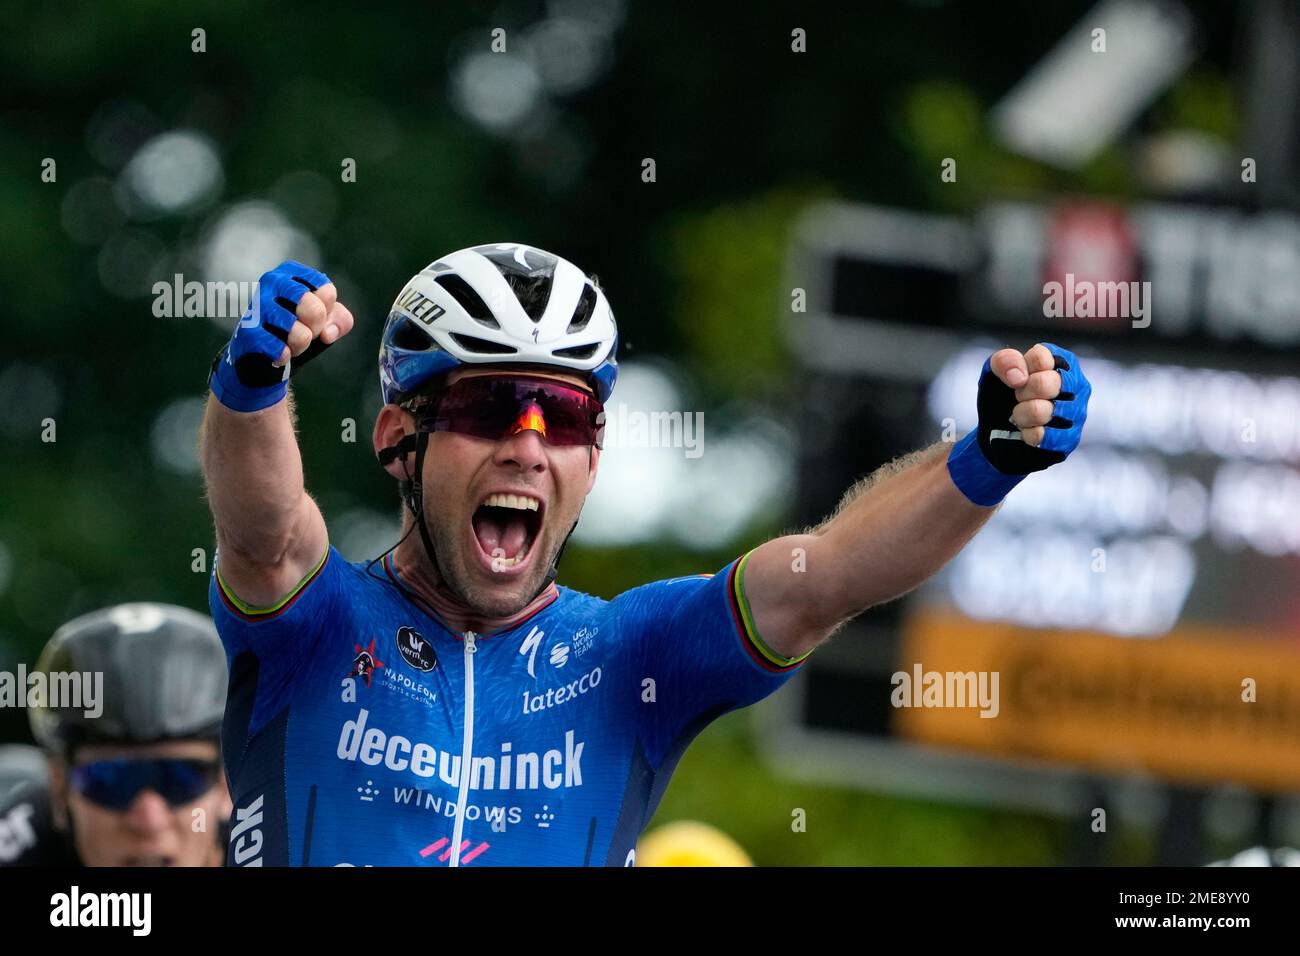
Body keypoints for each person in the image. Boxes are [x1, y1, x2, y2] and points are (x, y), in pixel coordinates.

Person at [201, 245, 1091, 866]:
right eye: (489, 407)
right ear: (399, 437)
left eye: (569, 416)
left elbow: (832, 574)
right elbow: (265, 531)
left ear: (595, 458)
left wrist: (986, 460)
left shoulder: (632, 657)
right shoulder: (316, 626)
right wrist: (252, 390)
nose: (528, 446)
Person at [0, 603, 231, 867]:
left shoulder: (276, 844)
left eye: (180, 779)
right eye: (112, 781)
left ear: (226, 788)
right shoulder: (18, 844)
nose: (149, 821)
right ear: (60, 792)